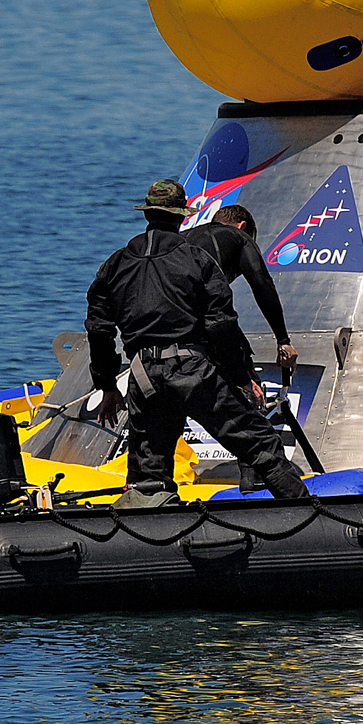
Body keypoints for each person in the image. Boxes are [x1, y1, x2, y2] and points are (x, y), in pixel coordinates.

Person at [86, 179, 309, 506]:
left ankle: (149, 537)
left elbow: (98, 329)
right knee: (261, 445)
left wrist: (105, 385)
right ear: (181, 217)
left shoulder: (115, 265)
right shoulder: (196, 260)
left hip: (144, 378)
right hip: (193, 372)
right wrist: (241, 377)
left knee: (150, 476)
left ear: (148, 214)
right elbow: (221, 324)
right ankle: (307, 517)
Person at [182, 205, 299, 378]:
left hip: (171, 328)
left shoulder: (181, 238)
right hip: (209, 326)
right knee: (247, 393)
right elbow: (262, 284)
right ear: (242, 226)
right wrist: (283, 341)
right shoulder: (238, 236)